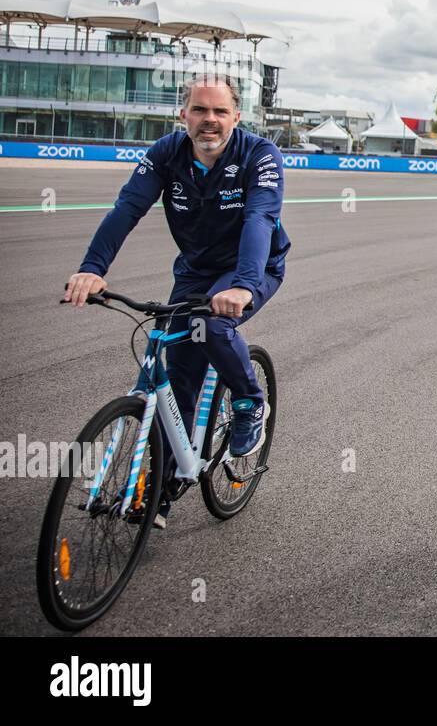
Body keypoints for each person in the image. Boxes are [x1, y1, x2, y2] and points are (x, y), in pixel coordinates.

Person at [63, 74, 290, 528]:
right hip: (195, 273)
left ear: (236, 116)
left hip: (252, 266)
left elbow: (260, 218)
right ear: (183, 114)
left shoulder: (260, 155)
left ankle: (249, 402)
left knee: (213, 326)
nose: (210, 120)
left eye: (220, 111)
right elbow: (127, 207)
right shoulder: (167, 153)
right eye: (200, 110)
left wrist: (243, 285)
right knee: (176, 376)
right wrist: (92, 268)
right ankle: (161, 491)